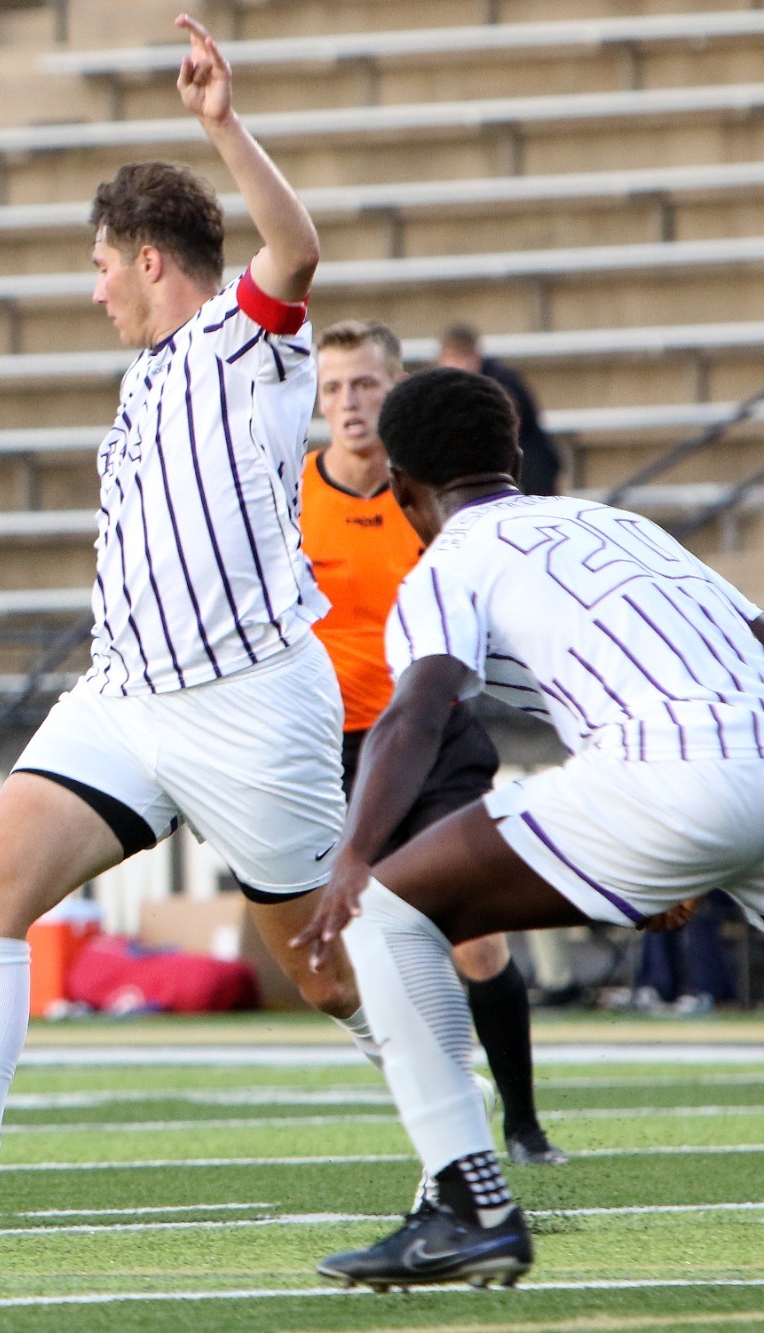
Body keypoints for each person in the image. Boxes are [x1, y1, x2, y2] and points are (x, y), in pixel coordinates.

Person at [0, 15, 354, 1242]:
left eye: (97, 267)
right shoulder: (143, 380)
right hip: (127, 694)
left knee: (330, 974)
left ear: (144, 260)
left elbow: (295, 244)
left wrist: (219, 124)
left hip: (247, 698)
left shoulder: (242, 336)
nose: (89, 292)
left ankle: (471, 1129)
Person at [294, 366, 764, 1289]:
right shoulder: (622, 523)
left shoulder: (448, 562)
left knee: (385, 913)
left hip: (668, 769)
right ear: (516, 454)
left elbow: (416, 713)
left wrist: (354, 856)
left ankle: (468, 1207)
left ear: (404, 492)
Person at [305, 319, 565, 1166]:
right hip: (325, 744)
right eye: (335, 387)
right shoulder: (286, 497)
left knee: (474, 934)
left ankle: (521, 1127)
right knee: (339, 969)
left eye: (367, 386)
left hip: (430, 732)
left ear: (398, 389)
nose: (350, 404)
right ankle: (455, 1111)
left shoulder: (441, 501)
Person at [437, 325, 561, 497]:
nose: (458, 364)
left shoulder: (500, 381)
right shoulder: (441, 387)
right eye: (452, 356)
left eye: (463, 356)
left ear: (476, 356)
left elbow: (510, 426)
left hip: (528, 462)